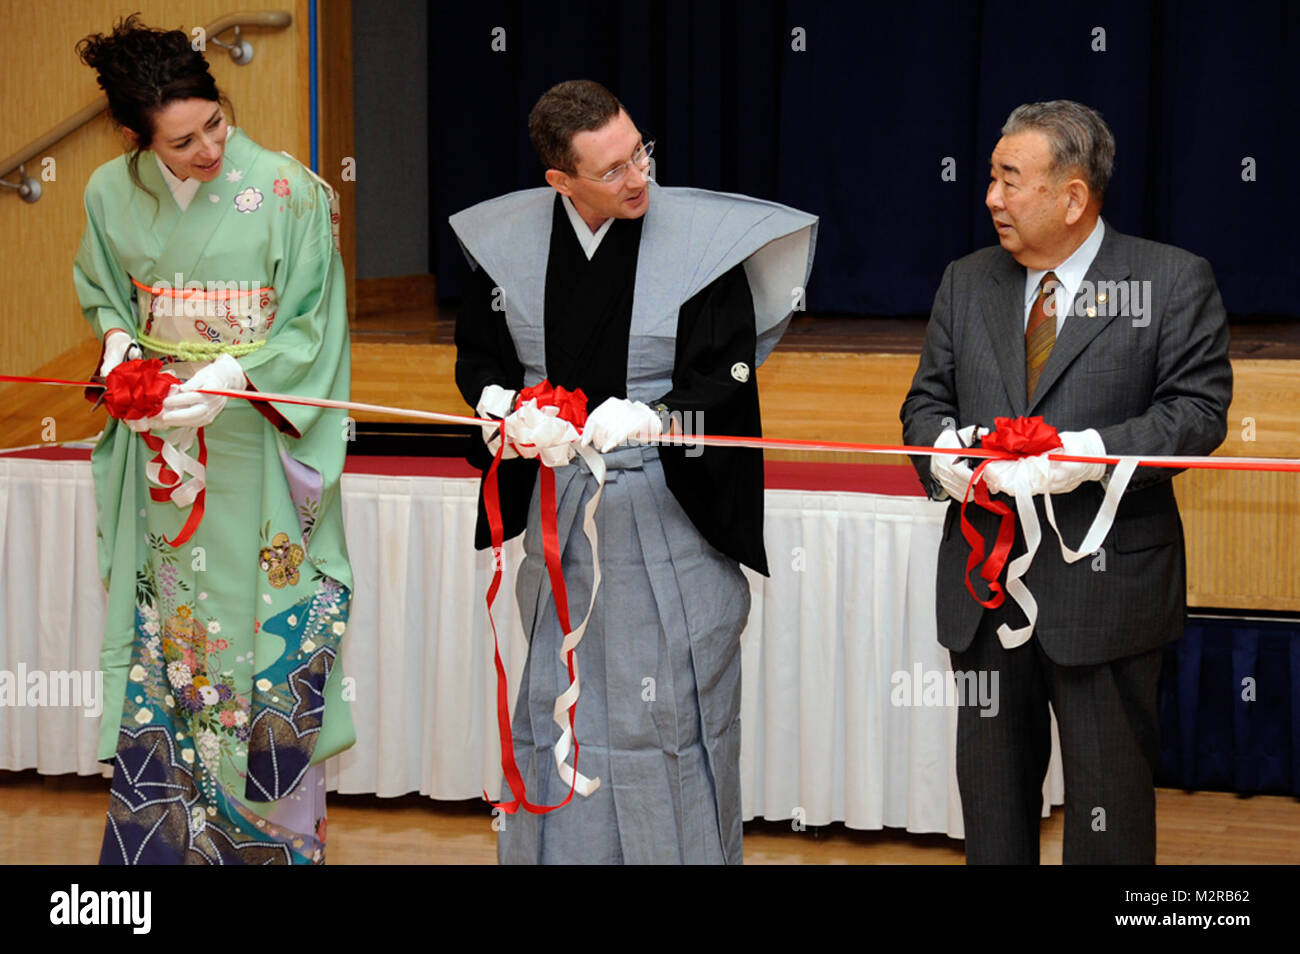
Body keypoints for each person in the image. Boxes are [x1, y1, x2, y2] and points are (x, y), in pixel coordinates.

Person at [452, 80, 816, 864]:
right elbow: (479, 357)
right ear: (561, 182)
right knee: (561, 701)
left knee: (672, 716)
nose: (637, 177)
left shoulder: (697, 246)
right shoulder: (511, 246)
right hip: (561, 504)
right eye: (611, 170)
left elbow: (729, 377)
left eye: (640, 152)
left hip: (664, 508)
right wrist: (503, 407)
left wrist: (659, 416)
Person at [900, 100, 1232, 864]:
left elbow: (1199, 413)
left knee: (1107, 814)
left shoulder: (1171, 280)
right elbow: (925, 402)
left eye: (1010, 180)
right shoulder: (966, 280)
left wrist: (1091, 452)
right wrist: (942, 454)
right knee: (991, 809)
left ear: (1073, 196)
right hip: (984, 599)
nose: (990, 196)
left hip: (1107, 598)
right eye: (991, 177)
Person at [74, 16, 353, 864]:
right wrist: (122, 347)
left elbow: (312, 325)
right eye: (182, 140)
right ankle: (163, 846)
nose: (207, 149)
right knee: (171, 644)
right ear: (134, 137)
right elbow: (103, 294)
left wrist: (234, 376)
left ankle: (271, 844)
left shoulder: (288, 191)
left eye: (216, 124)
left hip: (257, 452)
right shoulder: (105, 192)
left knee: (262, 637)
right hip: (164, 455)